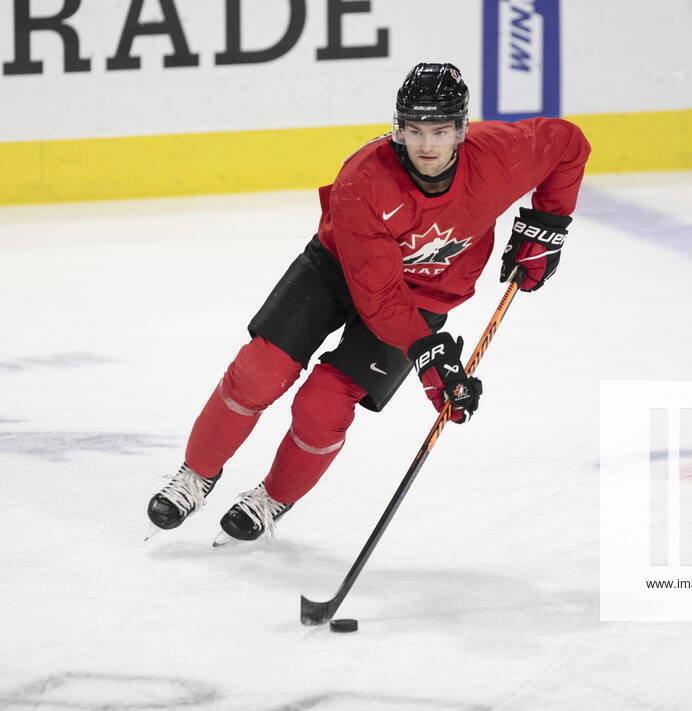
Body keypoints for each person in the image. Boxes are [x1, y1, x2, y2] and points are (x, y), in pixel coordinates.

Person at [145, 62, 591, 544]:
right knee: (260, 371)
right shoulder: (363, 179)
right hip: (338, 269)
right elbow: (377, 294)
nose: (426, 146)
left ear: (462, 128)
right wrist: (426, 352)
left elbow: (568, 144)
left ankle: (272, 497)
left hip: (425, 295)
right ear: (397, 127)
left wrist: (548, 224)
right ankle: (197, 473)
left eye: (440, 130)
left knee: (324, 404)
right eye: (414, 130)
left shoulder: (502, 156)